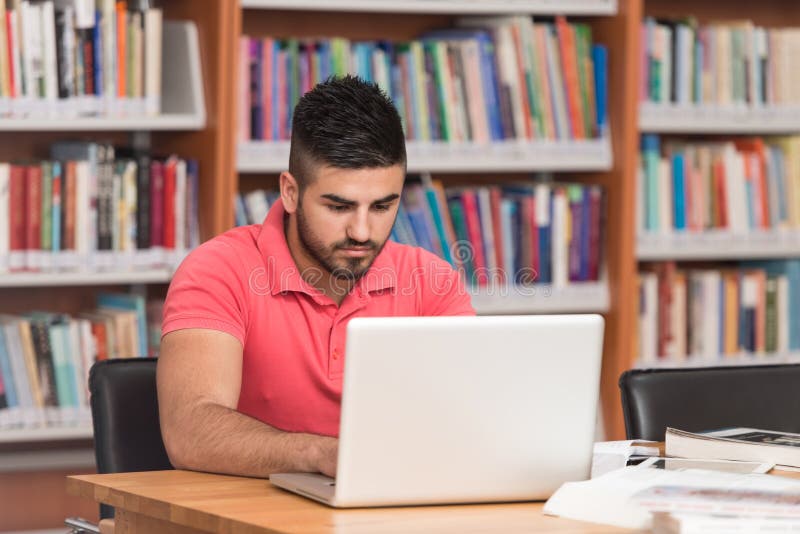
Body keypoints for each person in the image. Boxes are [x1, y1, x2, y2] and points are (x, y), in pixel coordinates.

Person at [157, 75, 475, 479]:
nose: (362, 231)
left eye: (381, 207)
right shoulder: (218, 271)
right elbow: (189, 432)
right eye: (339, 207)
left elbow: (469, 420)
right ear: (290, 192)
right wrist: (319, 455)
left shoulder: (433, 282)